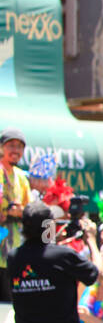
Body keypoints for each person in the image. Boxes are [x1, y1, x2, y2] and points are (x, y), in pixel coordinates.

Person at [0, 128, 33, 303]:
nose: (15, 150)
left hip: (13, 251)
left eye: (20, 147)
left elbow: (31, 210)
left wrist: (22, 212)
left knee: (11, 303)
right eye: (11, 145)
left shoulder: (21, 177)